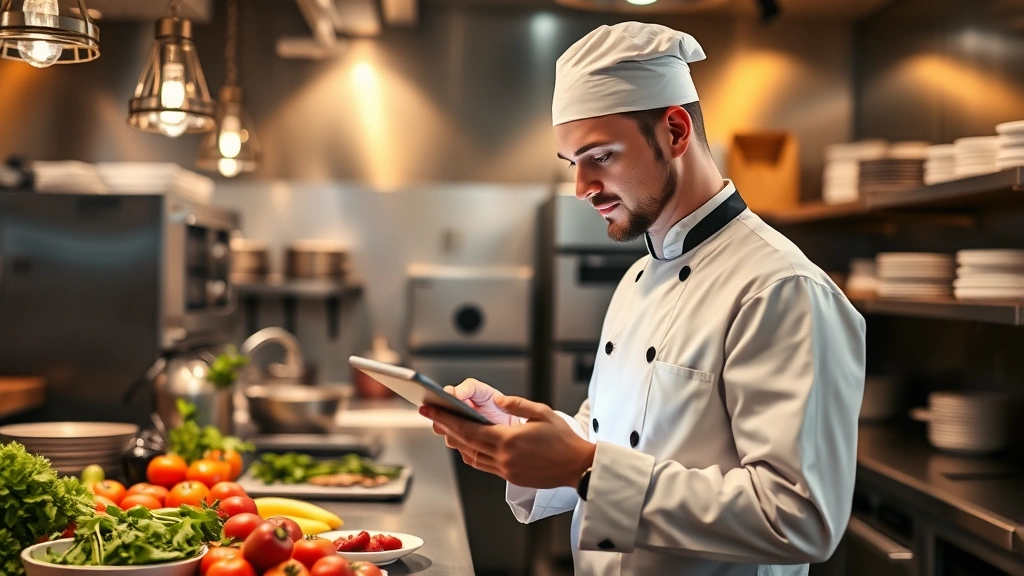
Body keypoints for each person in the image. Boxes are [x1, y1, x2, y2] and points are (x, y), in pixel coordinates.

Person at [418, 21, 866, 576]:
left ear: (675, 132)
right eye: (572, 164)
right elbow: (612, 437)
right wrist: (518, 439)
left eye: (599, 156)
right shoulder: (636, 279)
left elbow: (799, 517)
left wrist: (586, 468)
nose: (581, 187)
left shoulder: (780, 289)